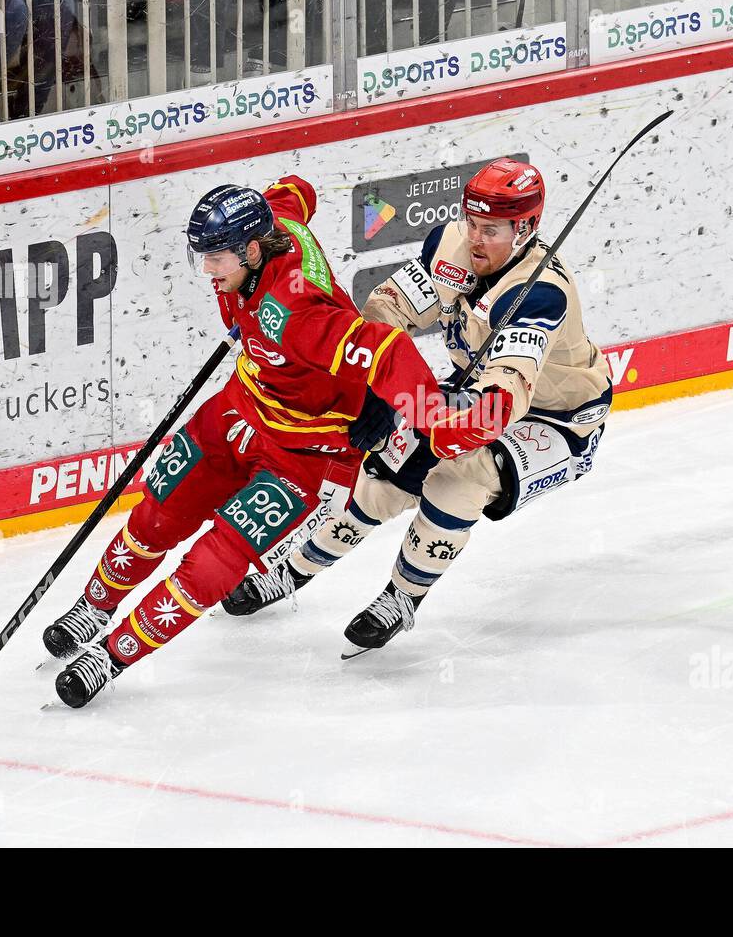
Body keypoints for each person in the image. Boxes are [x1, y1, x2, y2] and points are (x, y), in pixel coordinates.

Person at [44, 176, 500, 708]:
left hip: (301, 454)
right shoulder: (273, 224)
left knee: (218, 559)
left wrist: (426, 416)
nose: (208, 272)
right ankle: (96, 606)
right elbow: (298, 190)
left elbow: (389, 351)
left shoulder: (295, 316)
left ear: (252, 250)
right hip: (239, 408)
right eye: (204, 257)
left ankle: (111, 655)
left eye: (217, 259)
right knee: (159, 510)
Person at [222, 158, 613, 657]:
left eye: (490, 230)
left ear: (526, 228)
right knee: (385, 473)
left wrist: (453, 432)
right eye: (471, 223)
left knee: (457, 479)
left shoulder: (540, 294)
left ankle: (401, 597)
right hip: (470, 392)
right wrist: (371, 386)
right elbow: (387, 312)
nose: (475, 239)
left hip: (561, 420)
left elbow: (508, 392)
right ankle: (292, 572)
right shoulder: (448, 245)